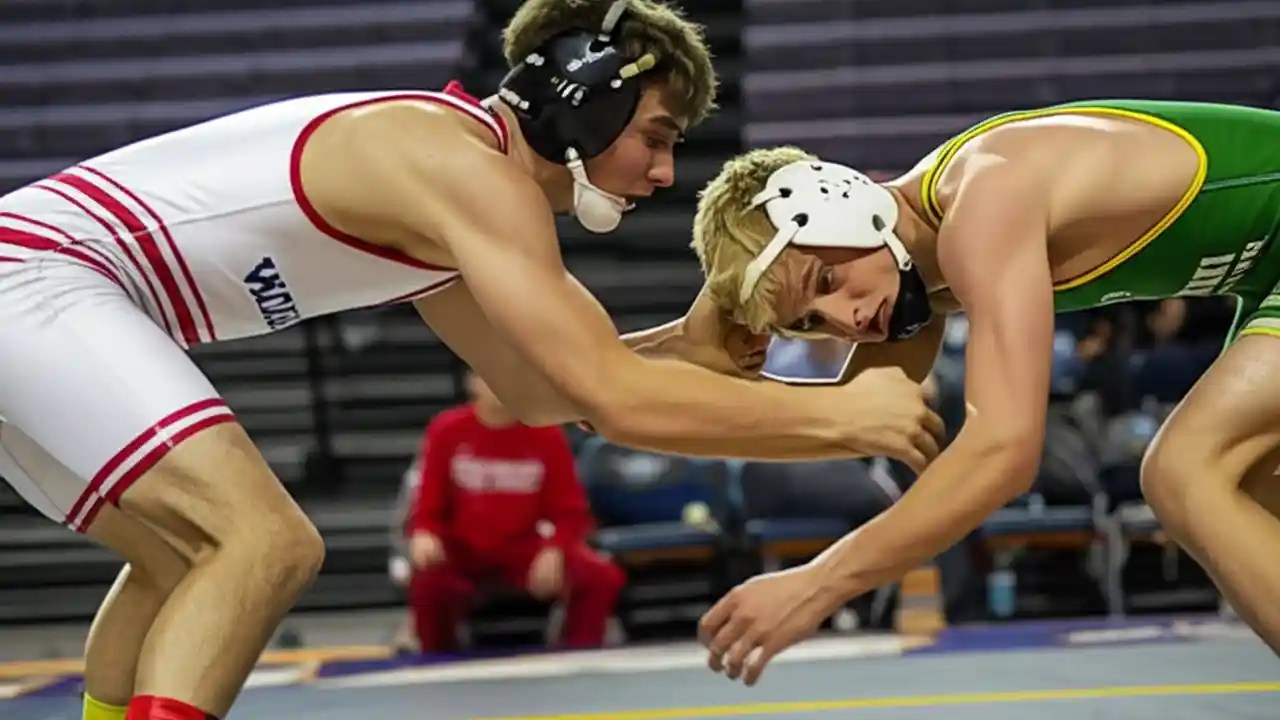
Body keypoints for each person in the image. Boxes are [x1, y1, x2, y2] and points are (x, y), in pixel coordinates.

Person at [0, 1, 943, 718]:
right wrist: (835, 418)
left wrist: (695, 352)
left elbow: (545, 393)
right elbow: (614, 400)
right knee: (263, 543)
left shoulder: (452, 196)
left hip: (40, 289)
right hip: (36, 279)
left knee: (180, 560)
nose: (662, 174)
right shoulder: (467, 175)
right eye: (656, 138)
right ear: (587, 96)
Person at [685, 99, 1280, 684]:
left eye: (828, 281)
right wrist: (636, 363)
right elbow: (850, 422)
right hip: (1267, 265)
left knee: (1188, 471)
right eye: (811, 321)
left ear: (848, 203)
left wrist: (817, 582)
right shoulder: (925, 268)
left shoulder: (983, 205)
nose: (845, 321)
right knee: (1246, 498)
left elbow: (1004, 453)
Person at [407, 372, 624, 653]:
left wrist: (555, 550)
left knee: (600, 576)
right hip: (462, 549)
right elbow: (428, 503)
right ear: (472, 382)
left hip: (524, 549)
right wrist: (424, 533)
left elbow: (570, 511)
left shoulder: (546, 434)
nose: (498, 385)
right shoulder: (446, 430)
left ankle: (578, 653)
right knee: (429, 582)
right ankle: (436, 659)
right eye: (489, 375)